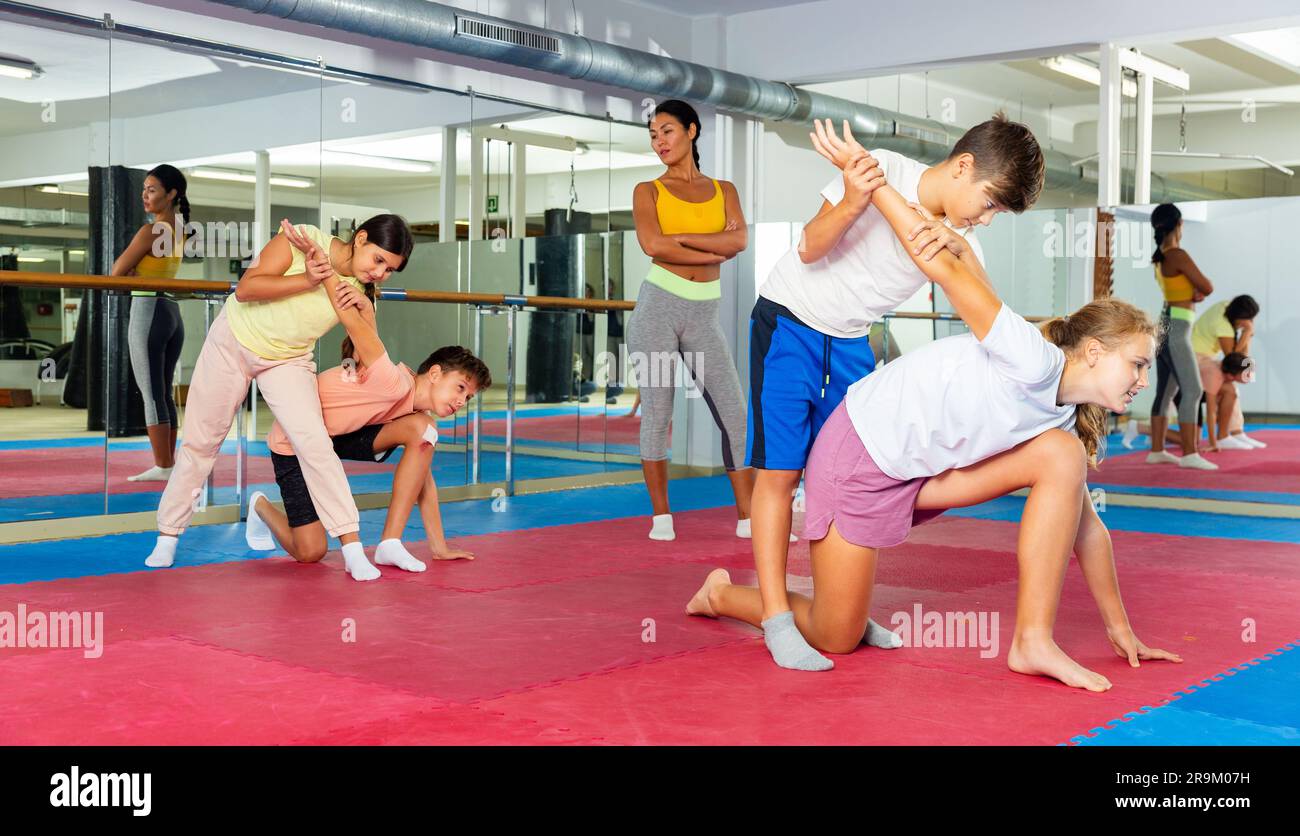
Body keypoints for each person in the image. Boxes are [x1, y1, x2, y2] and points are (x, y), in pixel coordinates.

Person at [688, 179, 1182, 689]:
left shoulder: (1061, 414)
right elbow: (943, 268)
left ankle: (1033, 640)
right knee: (835, 633)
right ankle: (721, 595)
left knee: (1063, 456)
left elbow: (1087, 529)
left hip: (915, 474)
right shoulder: (1030, 356)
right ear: (1096, 352)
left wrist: (1121, 629)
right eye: (1138, 364)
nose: (1144, 381)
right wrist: (875, 186)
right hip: (858, 460)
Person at [747, 114, 1045, 670]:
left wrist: (958, 239)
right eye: (989, 203)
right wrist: (855, 198)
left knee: (855, 477)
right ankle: (775, 618)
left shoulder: (960, 228)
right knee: (781, 475)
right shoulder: (883, 169)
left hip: (853, 341)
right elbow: (810, 247)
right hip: (790, 321)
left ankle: (845, 607)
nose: (987, 217)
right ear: (963, 166)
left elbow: (983, 295)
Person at [142, 215, 413, 582]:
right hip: (234, 341)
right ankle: (168, 534)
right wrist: (308, 279)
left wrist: (368, 314)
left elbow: (366, 360)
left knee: (315, 443)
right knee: (202, 442)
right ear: (360, 238)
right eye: (378, 260)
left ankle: (351, 547)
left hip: (287, 359)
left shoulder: (361, 290)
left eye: (390, 269)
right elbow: (247, 290)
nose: (381, 273)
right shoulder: (303, 240)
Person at [248, 325, 491, 568]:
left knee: (424, 430)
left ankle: (390, 543)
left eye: (468, 397)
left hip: (340, 435)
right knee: (310, 551)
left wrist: (439, 547)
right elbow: (361, 331)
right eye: (460, 387)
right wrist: (364, 300)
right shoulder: (392, 381)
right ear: (435, 373)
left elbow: (422, 478)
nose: (461, 401)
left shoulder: (417, 414)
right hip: (294, 441)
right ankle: (260, 506)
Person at [626, 99, 754, 542]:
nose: (660, 141)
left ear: (692, 131)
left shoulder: (725, 189)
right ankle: (662, 516)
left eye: (668, 131)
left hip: (704, 313)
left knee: (736, 415)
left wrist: (683, 237)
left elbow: (739, 238)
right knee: (658, 413)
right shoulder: (648, 190)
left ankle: (749, 517)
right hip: (657, 310)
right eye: (653, 135)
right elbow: (652, 245)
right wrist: (715, 248)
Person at [111, 164, 190, 482]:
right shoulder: (180, 229)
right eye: (144, 188)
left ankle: (163, 465)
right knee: (164, 392)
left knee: (151, 392)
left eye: (152, 189)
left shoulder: (151, 231)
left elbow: (116, 273)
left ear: (171, 194)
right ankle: (168, 463)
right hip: (170, 311)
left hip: (148, 310)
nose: (145, 195)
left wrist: (131, 274)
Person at [1145, 203, 1217, 470]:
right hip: (1176, 329)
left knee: (1165, 392)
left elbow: (1187, 290)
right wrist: (1197, 293)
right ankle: (1190, 453)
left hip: (1167, 324)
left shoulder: (1161, 256)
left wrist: (1193, 293)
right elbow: (1207, 286)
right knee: (1193, 389)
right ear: (1179, 224)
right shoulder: (1177, 254)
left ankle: (1157, 450)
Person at [1192, 295, 1264, 451]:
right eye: (1245, 320)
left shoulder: (1226, 305)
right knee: (1230, 388)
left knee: (1232, 388)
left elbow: (1243, 359)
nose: (1247, 323)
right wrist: (1247, 333)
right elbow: (1235, 358)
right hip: (1196, 357)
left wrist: (1247, 333)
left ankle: (1236, 432)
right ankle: (1225, 435)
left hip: (1207, 356)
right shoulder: (1223, 325)